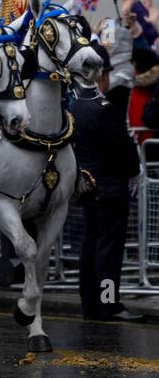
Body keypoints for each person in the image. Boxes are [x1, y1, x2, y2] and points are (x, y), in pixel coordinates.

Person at [72, 44, 146, 322]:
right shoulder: (103, 109)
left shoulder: (75, 106)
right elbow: (124, 150)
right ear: (99, 75)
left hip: (87, 186)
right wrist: (134, 170)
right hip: (110, 186)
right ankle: (109, 303)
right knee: (108, 251)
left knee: (90, 246)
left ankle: (90, 303)